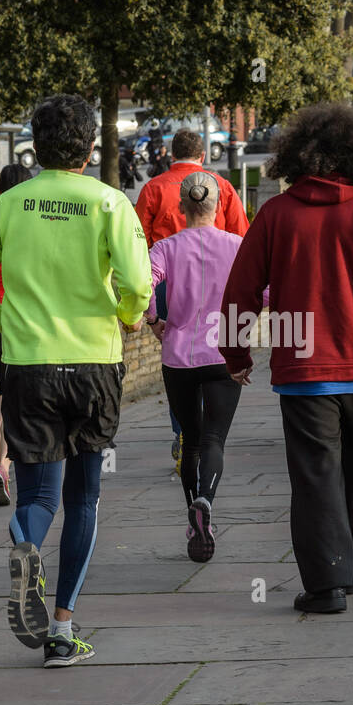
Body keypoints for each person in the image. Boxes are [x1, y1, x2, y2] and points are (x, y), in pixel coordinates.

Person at [0, 95, 152, 668]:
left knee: (38, 495)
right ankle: (62, 629)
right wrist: (128, 315)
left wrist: (6, 317)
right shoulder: (112, 203)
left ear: (35, 147)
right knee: (84, 497)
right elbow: (138, 285)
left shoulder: (9, 205)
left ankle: (25, 544)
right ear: (90, 148)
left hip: (29, 365)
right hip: (93, 366)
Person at [219, 103, 353, 613]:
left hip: (303, 374)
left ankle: (326, 584)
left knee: (316, 477)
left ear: (298, 156)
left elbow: (240, 293)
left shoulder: (275, 214)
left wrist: (236, 352)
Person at [145, 171, 251, 562]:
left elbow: (143, 287)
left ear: (181, 207)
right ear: (219, 206)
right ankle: (206, 499)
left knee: (190, 438)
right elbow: (266, 290)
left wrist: (155, 319)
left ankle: (193, 514)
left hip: (179, 356)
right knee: (215, 439)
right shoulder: (239, 246)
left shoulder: (166, 247)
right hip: (225, 354)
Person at [136, 128, 250, 464]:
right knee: (211, 349)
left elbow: (136, 242)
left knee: (179, 354)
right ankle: (210, 431)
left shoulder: (153, 187)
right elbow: (242, 235)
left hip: (167, 279)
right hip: (218, 276)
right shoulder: (222, 186)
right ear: (203, 156)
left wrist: (151, 316)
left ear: (172, 155)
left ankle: (184, 431)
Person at [0, 162, 34, 507]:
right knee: (20, 391)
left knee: (3, 386)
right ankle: (5, 464)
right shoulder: (32, 222)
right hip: (21, 315)